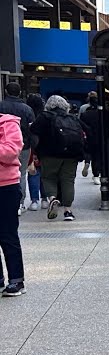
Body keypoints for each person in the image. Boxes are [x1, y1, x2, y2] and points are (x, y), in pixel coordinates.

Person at [31, 95, 84, 222]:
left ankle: (53, 198)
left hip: (49, 154)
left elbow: (33, 133)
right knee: (68, 180)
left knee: (48, 177)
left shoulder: (44, 117)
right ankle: (68, 211)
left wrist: (35, 152)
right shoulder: (72, 118)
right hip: (71, 155)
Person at [0, 82, 34, 216]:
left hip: (3, 146)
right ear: (19, 92)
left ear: (6, 92)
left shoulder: (1, 106)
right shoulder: (26, 108)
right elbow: (32, 128)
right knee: (22, 173)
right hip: (23, 145)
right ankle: (20, 202)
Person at [0, 108, 25, 295]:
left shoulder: (8, 123)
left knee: (7, 234)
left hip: (6, 186)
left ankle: (16, 280)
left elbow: (11, 152)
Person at [79, 93, 104, 185]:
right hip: (102, 136)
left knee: (93, 155)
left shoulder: (84, 112)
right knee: (101, 155)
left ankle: (94, 171)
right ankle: (101, 172)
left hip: (90, 137)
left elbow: (80, 124)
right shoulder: (102, 113)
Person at [24, 94, 43, 211]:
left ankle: (34, 200)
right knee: (45, 174)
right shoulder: (44, 116)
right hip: (44, 148)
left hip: (31, 147)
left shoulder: (28, 115)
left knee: (33, 173)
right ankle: (45, 198)